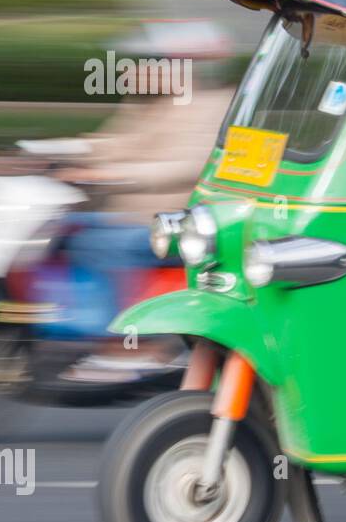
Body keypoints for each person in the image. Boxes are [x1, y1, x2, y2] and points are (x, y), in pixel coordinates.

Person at [54, 21, 234, 381]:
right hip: (130, 216)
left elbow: (188, 166)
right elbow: (112, 143)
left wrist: (117, 175)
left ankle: (130, 346)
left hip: (173, 225)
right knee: (60, 231)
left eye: (148, 60)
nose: (133, 69)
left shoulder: (213, 106)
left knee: (103, 243)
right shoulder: (148, 103)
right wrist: (47, 152)